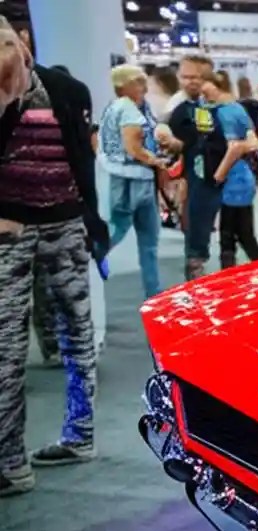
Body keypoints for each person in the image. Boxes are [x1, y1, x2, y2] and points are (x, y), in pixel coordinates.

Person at [0, 17, 110, 495]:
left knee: (77, 338)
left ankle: (79, 437)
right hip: (9, 233)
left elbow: (81, 162)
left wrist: (92, 222)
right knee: (6, 350)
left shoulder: (67, 90)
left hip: (65, 227)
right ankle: (10, 463)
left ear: (22, 43)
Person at [99, 64, 165, 298]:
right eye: (138, 81)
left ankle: (154, 291)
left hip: (137, 177)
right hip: (131, 178)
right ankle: (91, 256)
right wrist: (156, 161)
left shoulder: (130, 108)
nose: (144, 86)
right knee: (120, 228)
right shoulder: (127, 109)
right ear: (123, 85)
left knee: (148, 237)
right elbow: (133, 147)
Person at [156, 54, 221, 280]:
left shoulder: (222, 105)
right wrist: (172, 145)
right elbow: (175, 144)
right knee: (197, 224)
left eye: (198, 77)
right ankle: (196, 269)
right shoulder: (179, 108)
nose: (191, 82)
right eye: (186, 77)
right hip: (197, 177)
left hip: (228, 177)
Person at [204, 71, 258, 269]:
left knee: (231, 237)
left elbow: (235, 147)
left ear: (216, 85)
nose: (204, 94)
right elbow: (253, 142)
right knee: (241, 236)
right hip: (241, 177)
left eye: (206, 88)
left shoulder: (224, 112)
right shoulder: (237, 109)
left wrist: (218, 176)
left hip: (233, 179)